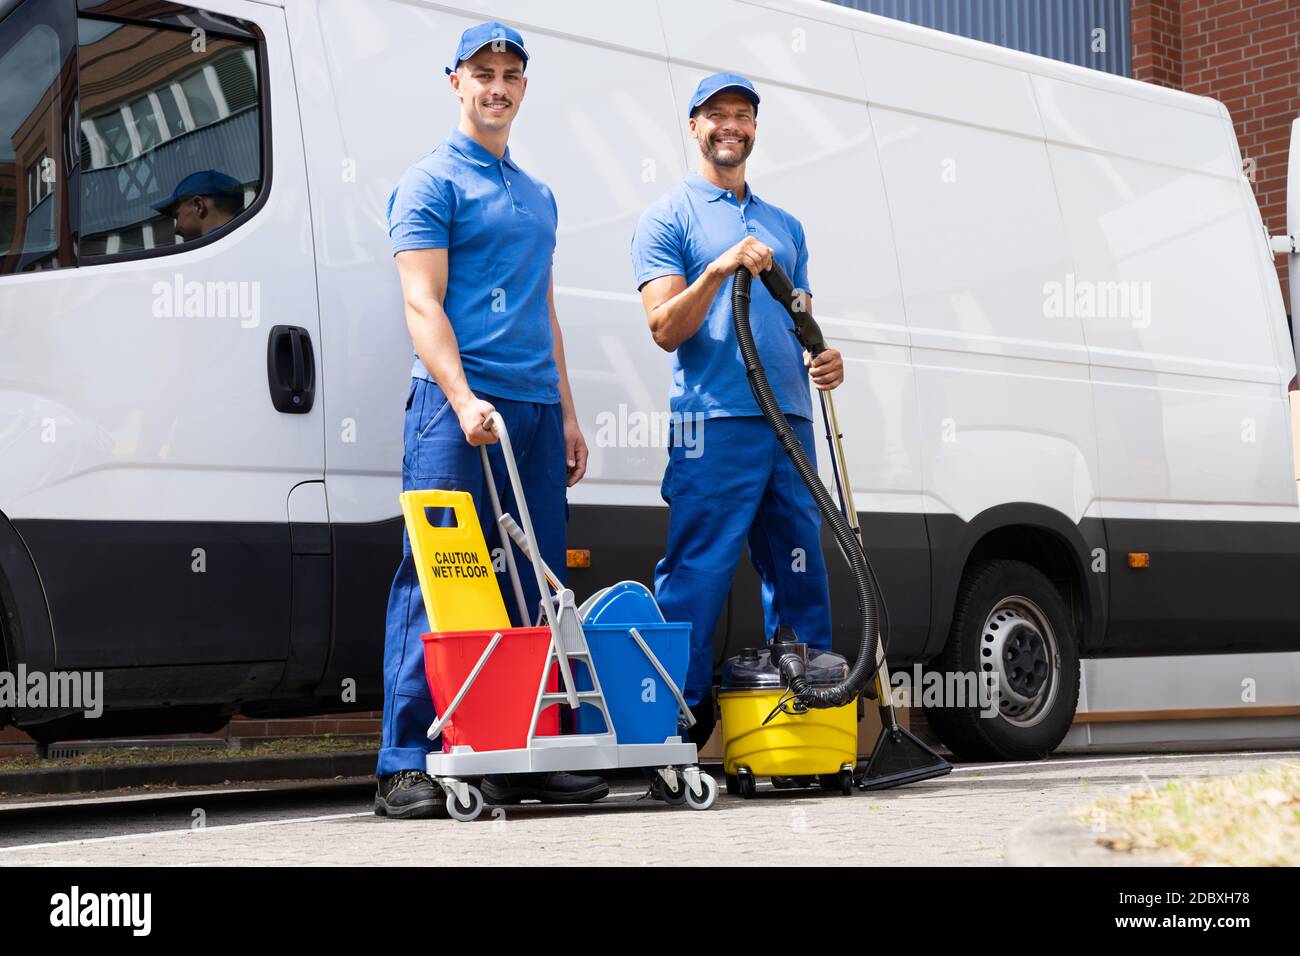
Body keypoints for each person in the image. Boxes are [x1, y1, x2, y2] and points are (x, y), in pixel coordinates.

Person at [374, 21, 604, 819]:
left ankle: (533, 746)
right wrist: (465, 395)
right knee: (437, 577)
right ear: (455, 82)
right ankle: (407, 760)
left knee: (537, 583)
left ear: (523, 87)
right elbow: (420, 300)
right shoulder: (430, 181)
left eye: (510, 73)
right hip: (454, 410)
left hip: (535, 415)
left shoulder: (537, 194)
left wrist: (568, 413)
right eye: (483, 73)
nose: (496, 86)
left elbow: (543, 309)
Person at [630, 72, 845, 748]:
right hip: (714, 424)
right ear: (694, 127)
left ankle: (808, 729)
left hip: (791, 422)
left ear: (755, 127)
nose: (731, 126)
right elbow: (664, 326)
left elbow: (801, 314)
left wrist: (825, 354)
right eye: (717, 115)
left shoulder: (788, 226)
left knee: (800, 569)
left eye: (743, 114)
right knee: (696, 576)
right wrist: (720, 268)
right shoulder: (669, 217)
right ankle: (673, 731)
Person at [151, 170, 243, 241]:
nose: (176, 230)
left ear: (198, 206)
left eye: (177, 216)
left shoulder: (209, 254)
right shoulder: (246, 240)